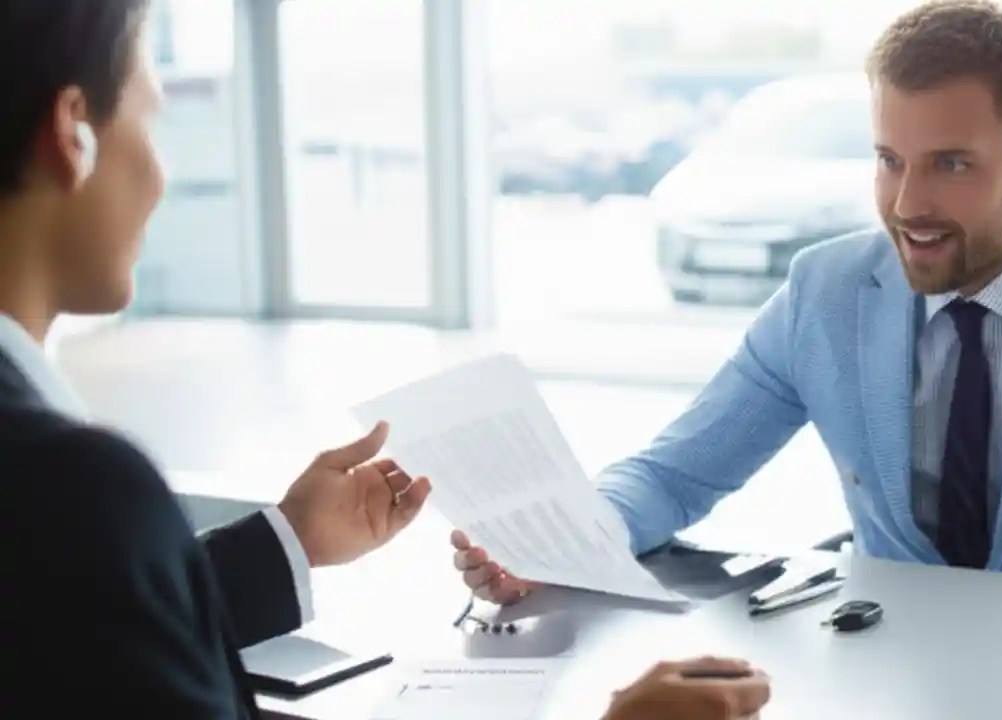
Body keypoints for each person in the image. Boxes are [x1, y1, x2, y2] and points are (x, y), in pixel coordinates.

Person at [0, 2, 771, 718]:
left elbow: (71, 626)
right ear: (76, 135)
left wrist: (290, 541)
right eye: (152, 126)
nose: (161, 178)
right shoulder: (72, 484)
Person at [455, 0, 1002, 605]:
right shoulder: (825, 290)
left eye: (951, 164)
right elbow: (674, 474)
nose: (907, 203)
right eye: (889, 159)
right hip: (882, 665)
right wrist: (561, 542)